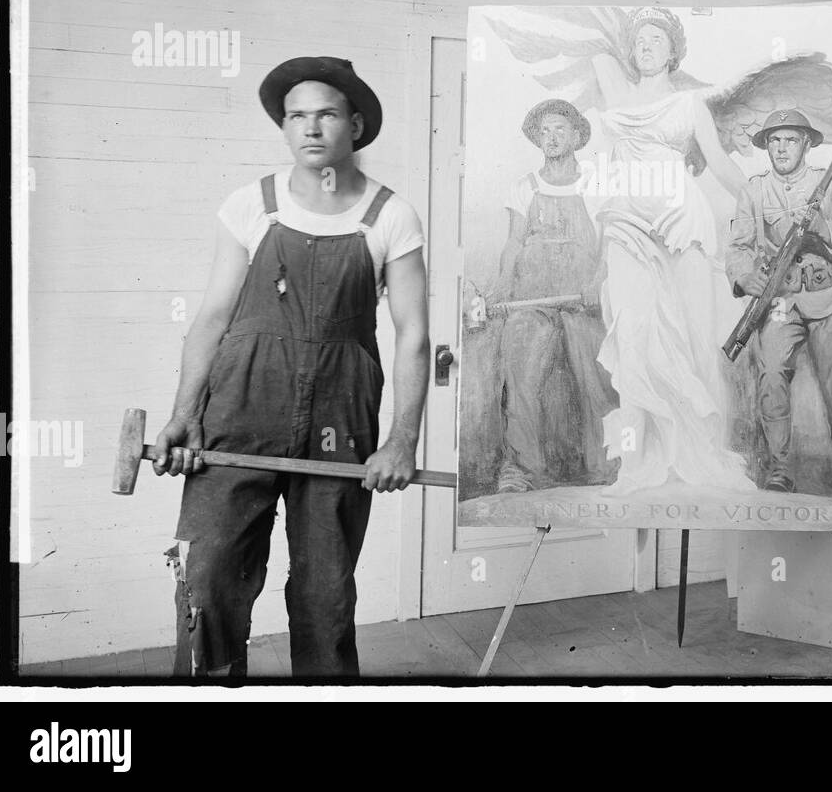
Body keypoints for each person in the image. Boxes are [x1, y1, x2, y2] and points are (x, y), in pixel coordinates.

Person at [152, 56, 430, 677]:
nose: (310, 128)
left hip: (339, 419)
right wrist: (183, 417)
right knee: (210, 577)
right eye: (295, 116)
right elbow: (212, 319)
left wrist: (401, 442)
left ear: (355, 124)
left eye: (326, 114)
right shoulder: (251, 205)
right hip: (240, 410)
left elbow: (414, 335)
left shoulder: (390, 216)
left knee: (325, 593)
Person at [590, 7, 755, 495]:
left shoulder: (689, 105)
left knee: (692, 337)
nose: (646, 45)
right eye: (639, 39)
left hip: (682, 221)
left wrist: (763, 204)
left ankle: (699, 453)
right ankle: (632, 465)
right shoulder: (613, 97)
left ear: (673, 51)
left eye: (657, 39)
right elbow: (601, 164)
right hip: (627, 224)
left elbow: (722, 166)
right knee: (632, 339)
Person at [725, 109, 832, 497]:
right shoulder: (754, 190)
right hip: (782, 300)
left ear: (807, 144)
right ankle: (780, 470)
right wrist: (744, 276)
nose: (782, 148)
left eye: (790, 139)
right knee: (771, 376)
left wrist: (824, 228)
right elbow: (738, 248)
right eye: (775, 140)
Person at [491, 99, 617, 492]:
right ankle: (523, 470)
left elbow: (610, 239)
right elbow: (513, 244)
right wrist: (501, 287)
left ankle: (606, 467)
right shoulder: (524, 186)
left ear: (578, 135)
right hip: (534, 300)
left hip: (582, 299)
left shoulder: (596, 181)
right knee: (520, 377)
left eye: (560, 129)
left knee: (596, 380)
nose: (552, 137)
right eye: (545, 131)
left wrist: (598, 281)